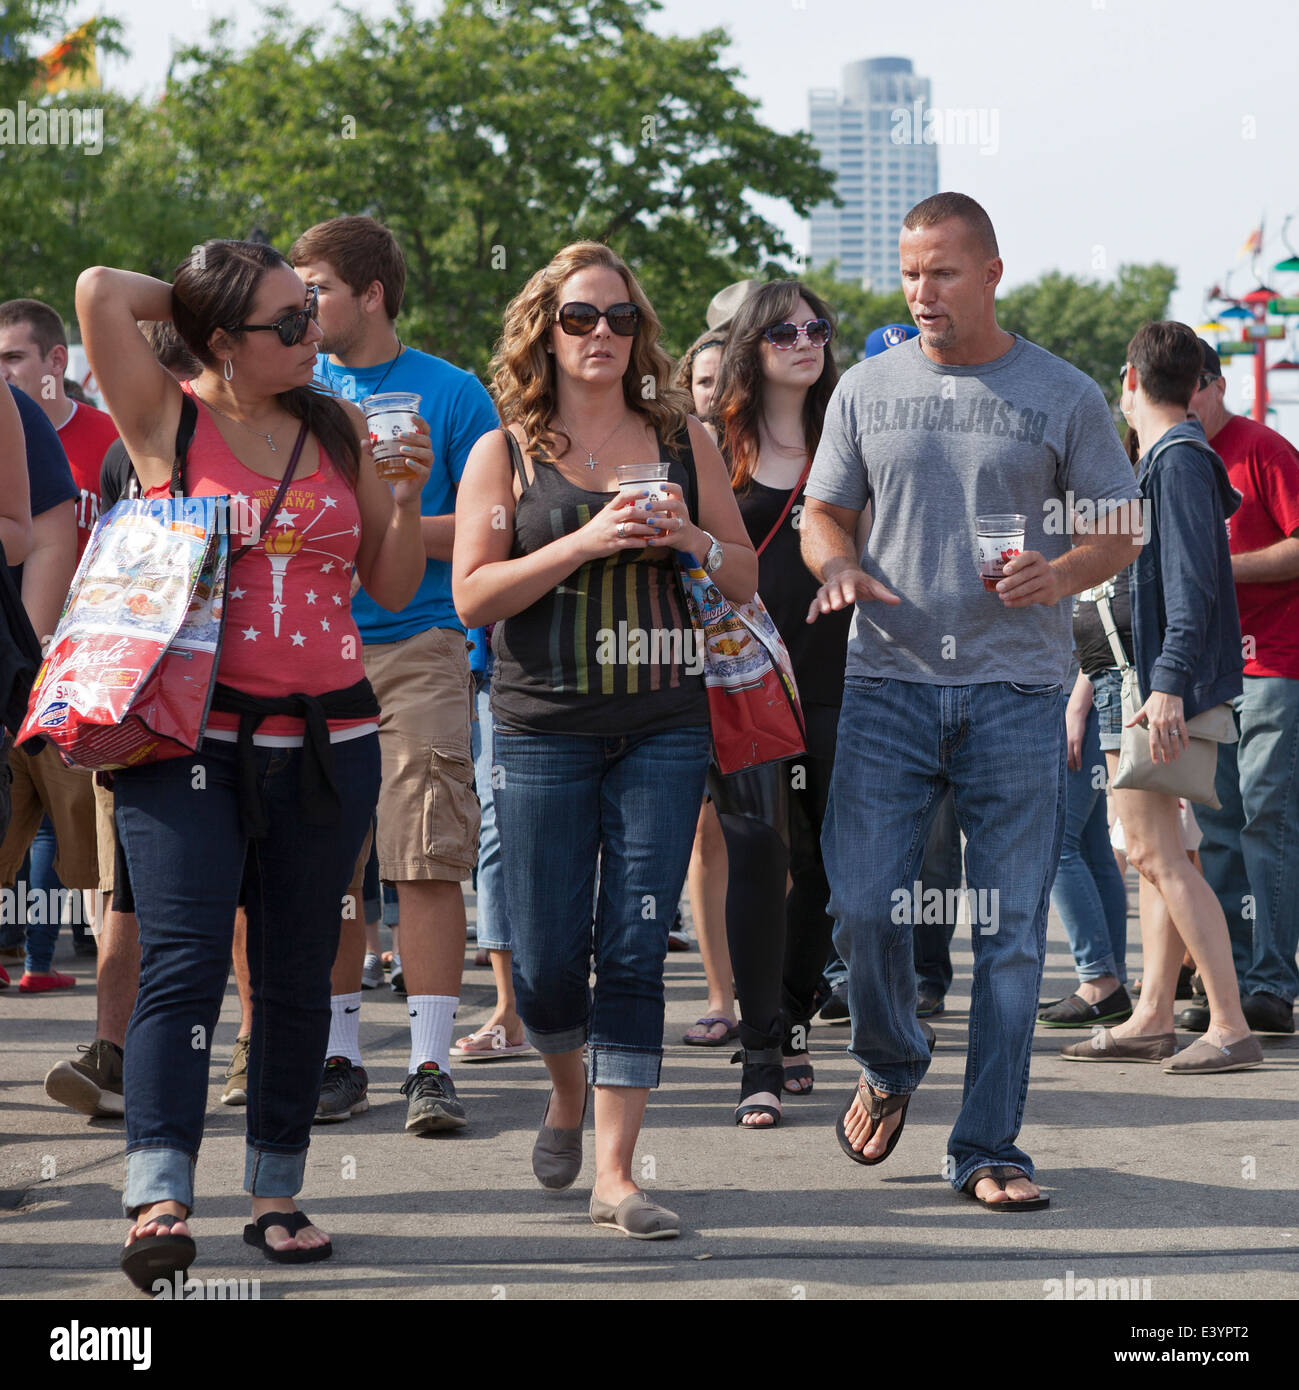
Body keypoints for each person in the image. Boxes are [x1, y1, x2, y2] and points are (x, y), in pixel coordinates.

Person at [75, 238, 428, 1287]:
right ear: (219, 340)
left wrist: (403, 500)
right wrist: (209, 301)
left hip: (330, 739)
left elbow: (396, 584)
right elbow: (99, 289)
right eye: (286, 323)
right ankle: (158, 1195)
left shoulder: (337, 425)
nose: (313, 334)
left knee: (292, 975)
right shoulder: (165, 415)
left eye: (313, 313)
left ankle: (277, 1193)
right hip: (187, 737)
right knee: (182, 965)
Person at [802, 192, 1142, 1208]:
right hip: (889, 683)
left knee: (1010, 933)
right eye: (911, 272)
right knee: (861, 907)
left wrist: (1060, 568)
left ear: (991, 272)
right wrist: (837, 565)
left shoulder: (1063, 392)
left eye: (942, 271)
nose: (922, 290)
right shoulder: (865, 385)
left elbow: (1123, 528)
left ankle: (989, 1146)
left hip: (1018, 690)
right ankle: (891, 1055)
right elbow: (826, 511)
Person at [453, 240, 756, 1237]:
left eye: (620, 319)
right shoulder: (506, 449)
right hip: (541, 725)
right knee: (542, 957)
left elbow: (743, 576)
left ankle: (617, 1173)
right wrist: (583, 539)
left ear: (641, 334)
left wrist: (692, 540)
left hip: (661, 722)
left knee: (632, 944)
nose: (601, 335)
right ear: (546, 330)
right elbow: (472, 593)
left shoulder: (682, 440)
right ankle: (567, 1089)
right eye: (579, 318)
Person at [291, 215, 498, 1131]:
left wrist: (402, 521)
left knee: (424, 853)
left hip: (419, 640)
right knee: (333, 861)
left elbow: (496, 525)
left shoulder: (453, 393)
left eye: (317, 291)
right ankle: (339, 1056)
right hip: (310, 646)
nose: (302, 309)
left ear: (371, 294)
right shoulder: (291, 386)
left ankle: (427, 1064)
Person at [1059, 323, 1261, 1072]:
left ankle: (1230, 1026)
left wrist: (1167, 683)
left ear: (1129, 379)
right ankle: (1150, 1014)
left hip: (1146, 683)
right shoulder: (1175, 459)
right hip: (1130, 678)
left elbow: (1192, 585)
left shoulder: (1174, 461)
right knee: (1157, 854)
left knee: (1152, 852)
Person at [704, 279, 852, 1124]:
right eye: (784, 330)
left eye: (817, 328)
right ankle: (758, 1053)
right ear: (750, 347)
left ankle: (792, 1013)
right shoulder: (713, 447)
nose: (805, 341)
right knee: (758, 856)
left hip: (839, 676)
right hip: (744, 681)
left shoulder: (850, 439)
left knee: (830, 865)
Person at [1184, 339, 1299, 1036]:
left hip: (1274, 663)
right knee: (1217, 827)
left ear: (1215, 385)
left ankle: (1270, 984)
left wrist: (1223, 569)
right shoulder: (1166, 455)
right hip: (1206, 672)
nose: (1181, 405)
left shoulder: (1263, 448)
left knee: (1266, 819)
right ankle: (1225, 984)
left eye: (1189, 390)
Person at [0, 378, 82, 993]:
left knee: (81, 853)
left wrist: (22, 676)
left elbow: (39, 533)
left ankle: (42, 961)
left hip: (54, 676)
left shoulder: (11, 405)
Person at [671, 328, 735, 1046]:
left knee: (773, 837)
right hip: (684, 657)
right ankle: (721, 994)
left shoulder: (782, 451)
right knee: (704, 836)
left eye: (727, 378)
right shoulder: (674, 454)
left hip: (765, 665)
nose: (715, 392)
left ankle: (771, 981)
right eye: (704, 379)